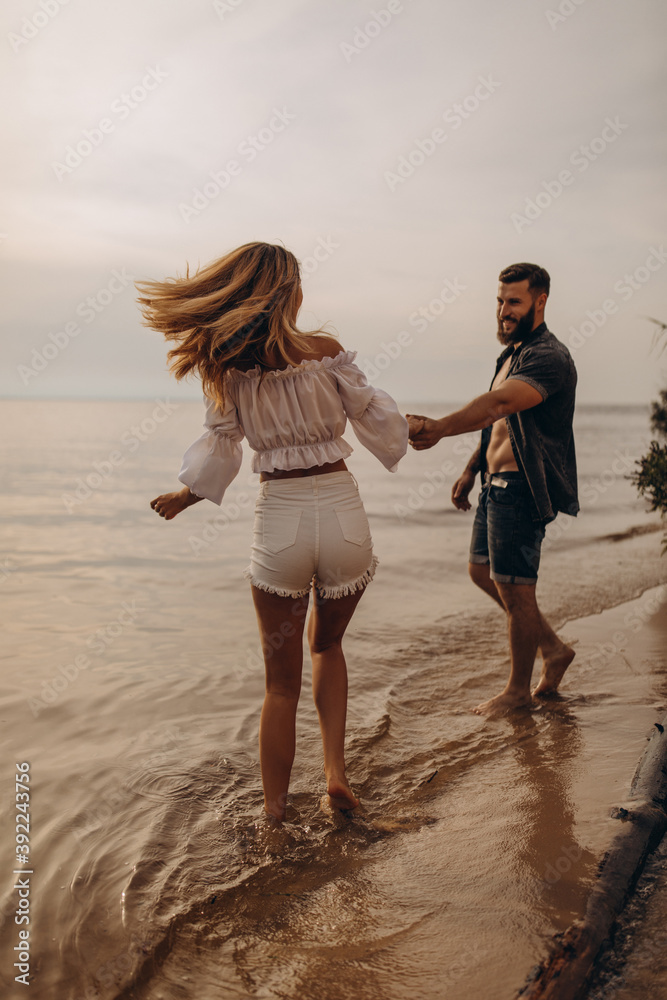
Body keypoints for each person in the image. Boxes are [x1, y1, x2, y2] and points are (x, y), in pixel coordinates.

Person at [137, 242, 409, 821]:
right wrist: (419, 431)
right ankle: (336, 775)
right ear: (288, 292)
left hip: (281, 521)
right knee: (329, 646)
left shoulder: (230, 372)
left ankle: (275, 819)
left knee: (279, 686)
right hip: (343, 516)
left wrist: (186, 496)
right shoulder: (328, 354)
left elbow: (222, 449)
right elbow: (375, 419)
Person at [408, 263, 578, 717]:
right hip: (493, 484)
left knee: (517, 591)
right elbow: (496, 422)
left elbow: (500, 403)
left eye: (514, 302)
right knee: (481, 573)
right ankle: (554, 649)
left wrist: (442, 427)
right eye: (500, 301)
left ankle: (518, 692)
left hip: (523, 489)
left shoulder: (549, 356)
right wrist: (470, 469)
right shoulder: (510, 355)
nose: (504, 311)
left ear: (540, 302)